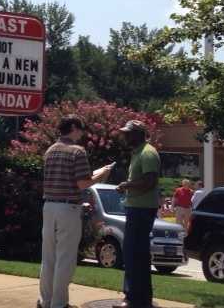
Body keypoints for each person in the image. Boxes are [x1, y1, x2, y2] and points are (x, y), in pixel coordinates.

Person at [39, 115, 114, 308]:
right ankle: (59, 303)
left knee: (48, 257)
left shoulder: (51, 150)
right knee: (66, 257)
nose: (82, 133)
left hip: (49, 206)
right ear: (73, 127)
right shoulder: (77, 151)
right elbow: (83, 183)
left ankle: (45, 301)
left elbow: (74, 178)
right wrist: (102, 175)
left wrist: (93, 175)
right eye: (81, 129)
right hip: (68, 207)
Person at [115, 120, 160, 308]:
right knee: (136, 254)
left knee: (134, 253)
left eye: (128, 133)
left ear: (139, 134)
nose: (125, 136)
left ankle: (134, 299)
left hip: (142, 210)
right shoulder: (138, 153)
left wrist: (126, 185)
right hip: (136, 208)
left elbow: (150, 181)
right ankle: (139, 299)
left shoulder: (148, 153)